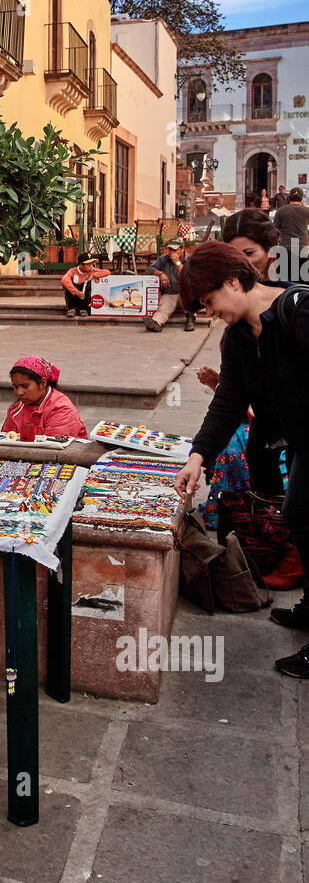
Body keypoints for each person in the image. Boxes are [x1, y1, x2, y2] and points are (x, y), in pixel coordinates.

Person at [174, 243, 309, 678]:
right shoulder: (237, 338)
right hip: (300, 444)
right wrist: (198, 456)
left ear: (234, 281)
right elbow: (230, 400)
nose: (211, 312)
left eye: (211, 301)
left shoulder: (298, 311)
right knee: (297, 514)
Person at [1, 356, 87, 439]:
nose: (19, 393)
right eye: (16, 387)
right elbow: (6, 438)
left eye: (25, 386)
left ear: (43, 383)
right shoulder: (17, 409)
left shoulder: (62, 410)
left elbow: (51, 448)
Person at [146, 239, 196, 332]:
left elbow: (188, 276)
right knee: (164, 306)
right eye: (170, 249)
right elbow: (149, 269)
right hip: (170, 292)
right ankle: (156, 323)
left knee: (190, 301)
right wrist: (161, 274)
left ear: (182, 249)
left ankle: (190, 318)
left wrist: (177, 263)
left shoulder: (190, 259)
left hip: (185, 294)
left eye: (175, 250)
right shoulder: (164, 258)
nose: (172, 252)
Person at [273, 188, 309, 279]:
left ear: (289, 197)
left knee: (285, 278)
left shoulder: (281, 211)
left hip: (285, 247)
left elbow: (275, 230)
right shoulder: (306, 211)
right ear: (301, 198)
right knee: (302, 278)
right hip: (302, 247)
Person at [61, 254, 109, 318]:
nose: (91, 266)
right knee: (68, 285)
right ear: (81, 265)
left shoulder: (92, 270)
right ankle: (71, 308)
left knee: (88, 284)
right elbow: (64, 280)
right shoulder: (73, 270)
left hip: (85, 297)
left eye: (91, 264)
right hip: (74, 296)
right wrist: (76, 292)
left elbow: (107, 272)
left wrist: (93, 275)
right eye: (88, 264)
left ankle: (83, 309)